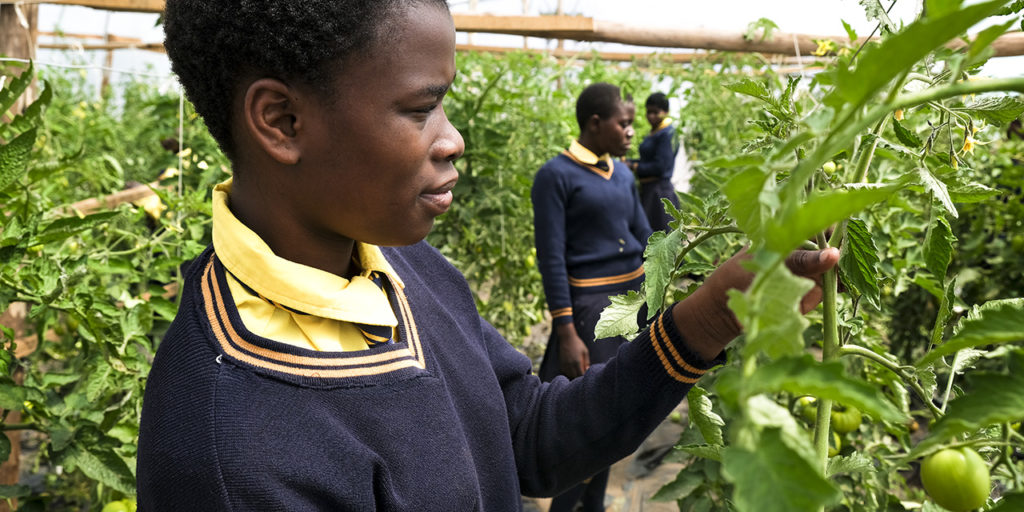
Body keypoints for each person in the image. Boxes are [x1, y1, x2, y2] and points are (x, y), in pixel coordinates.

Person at [136, 1, 840, 510]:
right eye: (421, 109)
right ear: (282, 122)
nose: (453, 140)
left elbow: (530, 438)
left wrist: (706, 320)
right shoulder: (229, 449)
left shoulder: (410, 274)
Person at [530, 82, 651, 511]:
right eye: (624, 124)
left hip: (631, 307)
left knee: (615, 418)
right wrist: (566, 330)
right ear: (595, 123)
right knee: (584, 424)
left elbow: (643, 236)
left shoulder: (621, 173)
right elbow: (552, 256)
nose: (630, 133)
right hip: (590, 316)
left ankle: (593, 505)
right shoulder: (556, 176)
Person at [628, 92, 681, 232]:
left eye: (655, 112)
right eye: (648, 112)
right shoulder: (655, 132)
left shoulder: (667, 134)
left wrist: (633, 166)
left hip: (659, 194)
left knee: (659, 238)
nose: (651, 116)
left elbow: (660, 167)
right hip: (648, 191)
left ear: (666, 112)